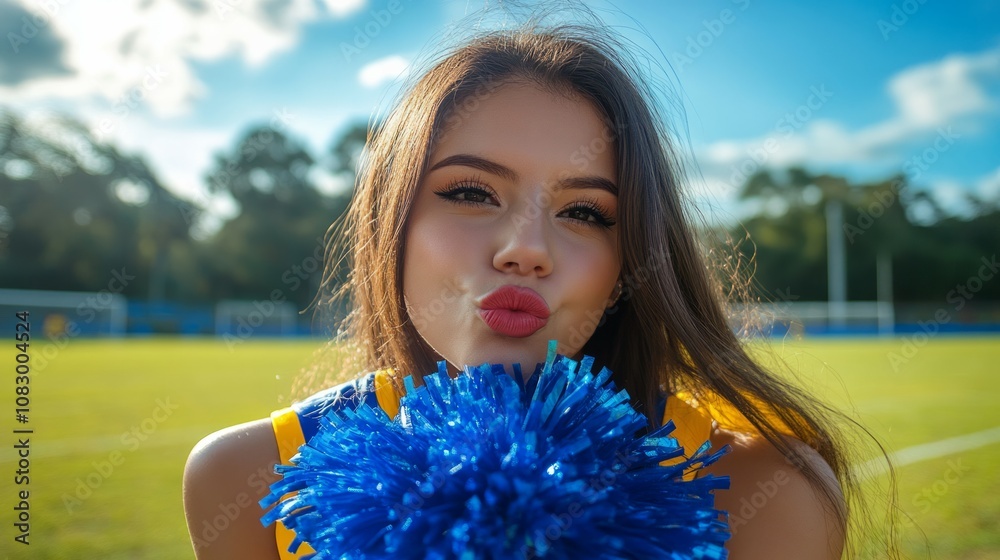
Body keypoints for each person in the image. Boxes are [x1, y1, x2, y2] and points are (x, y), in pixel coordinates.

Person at [183, 19, 899, 560]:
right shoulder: (249, 479)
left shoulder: (766, 495)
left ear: (630, 260)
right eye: (470, 192)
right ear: (389, 223)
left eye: (584, 212)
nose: (525, 248)